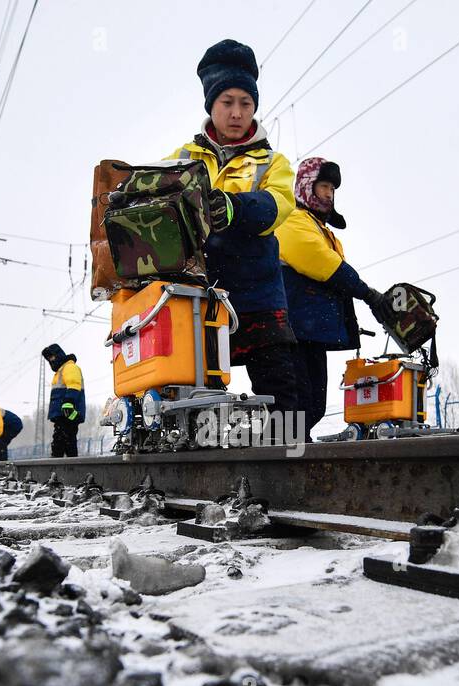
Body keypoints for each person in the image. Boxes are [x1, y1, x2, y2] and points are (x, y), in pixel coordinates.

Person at [166, 38, 299, 428]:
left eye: (246, 102)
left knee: (283, 398)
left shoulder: (273, 162)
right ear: (211, 106)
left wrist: (234, 207)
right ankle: (206, 471)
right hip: (197, 296)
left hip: (258, 296)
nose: (238, 112)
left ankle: (288, 466)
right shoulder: (183, 158)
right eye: (228, 102)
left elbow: (279, 205)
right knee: (196, 400)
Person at [277, 156, 393, 436]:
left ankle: (290, 452)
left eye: (332, 188)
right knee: (299, 403)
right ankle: (282, 456)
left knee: (314, 404)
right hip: (292, 332)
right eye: (323, 186)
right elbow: (326, 265)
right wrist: (369, 295)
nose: (329, 194)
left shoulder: (319, 228)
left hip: (310, 334)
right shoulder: (293, 221)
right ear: (306, 187)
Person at [42, 343, 84, 458]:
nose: (51, 360)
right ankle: (70, 467)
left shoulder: (69, 367)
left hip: (67, 412)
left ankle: (57, 467)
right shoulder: (61, 371)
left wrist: (68, 402)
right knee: (68, 441)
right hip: (63, 413)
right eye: (49, 358)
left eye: (52, 357)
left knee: (60, 441)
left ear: (58, 354)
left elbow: (74, 384)